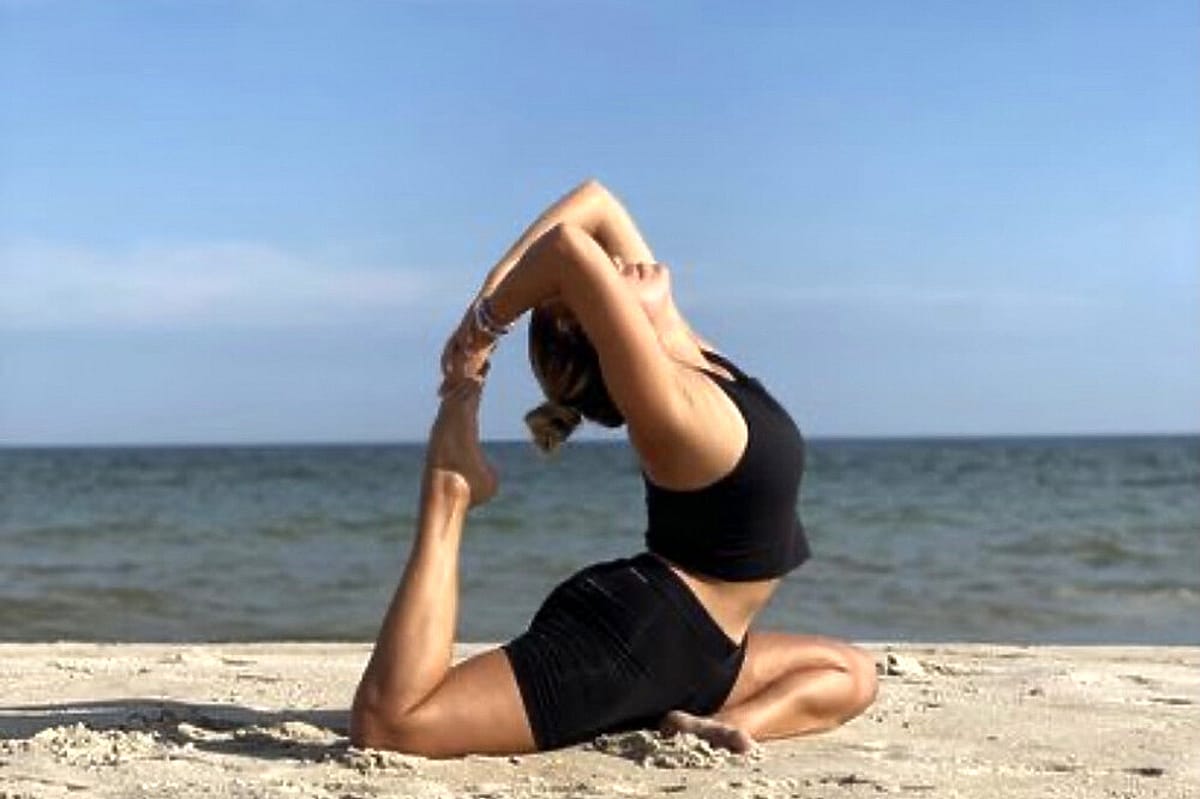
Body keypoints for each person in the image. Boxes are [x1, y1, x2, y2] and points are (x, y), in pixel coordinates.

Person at [349, 179, 878, 758]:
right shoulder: (668, 406)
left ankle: (713, 724)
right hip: (635, 638)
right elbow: (567, 247)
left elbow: (597, 203)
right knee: (390, 724)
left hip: (709, 651)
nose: (618, 264)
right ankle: (450, 490)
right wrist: (481, 330)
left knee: (853, 675)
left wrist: (490, 293)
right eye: (603, 281)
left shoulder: (688, 347)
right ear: (607, 329)